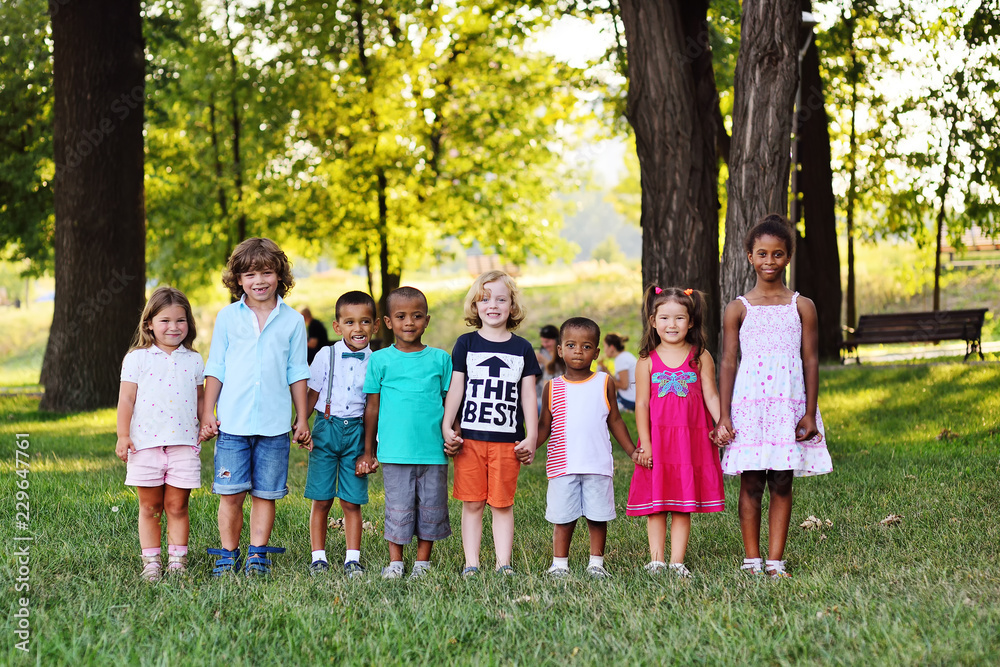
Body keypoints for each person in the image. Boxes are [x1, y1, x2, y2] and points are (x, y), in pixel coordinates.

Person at [716, 214, 833, 579]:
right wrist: (724, 415)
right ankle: (752, 560)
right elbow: (729, 362)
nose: (770, 261)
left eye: (778, 254)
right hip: (750, 405)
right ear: (749, 256)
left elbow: (811, 360)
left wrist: (810, 413)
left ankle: (775, 560)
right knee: (751, 481)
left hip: (788, 403)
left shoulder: (802, 306)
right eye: (762, 254)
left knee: (782, 479)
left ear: (788, 257)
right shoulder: (738, 308)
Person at [200, 238, 312, 576]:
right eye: (250, 274)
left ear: (280, 275)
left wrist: (302, 418)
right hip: (232, 424)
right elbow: (216, 367)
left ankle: (258, 553)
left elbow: (297, 372)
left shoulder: (292, 321)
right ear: (238, 280)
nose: (259, 281)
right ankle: (227, 553)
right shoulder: (228, 318)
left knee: (266, 494)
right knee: (231, 494)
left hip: (275, 426)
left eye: (266, 272)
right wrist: (208, 413)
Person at [442, 270, 541, 577]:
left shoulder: (522, 348)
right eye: (485, 299)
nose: (493, 305)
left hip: (507, 441)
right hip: (470, 439)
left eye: (501, 299)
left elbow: (528, 397)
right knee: (472, 504)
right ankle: (471, 564)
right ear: (475, 305)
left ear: (512, 306)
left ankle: (503, 564)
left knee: (501, 504)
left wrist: (533, 436)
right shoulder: (466, 344)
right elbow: (456, 388)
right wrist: (448, 426)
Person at [626, 286, 726, 578]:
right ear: (653, 322)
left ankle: (677, 562)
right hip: (657, 440)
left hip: (690, 440)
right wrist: (645, 444)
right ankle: (656, 560)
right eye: (665, 318)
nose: (672, 324)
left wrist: (722, 423)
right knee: (657, 505)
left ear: (691, 321)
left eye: (680, 318)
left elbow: (710, 395)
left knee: (683, 503)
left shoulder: (701, 356)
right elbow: (642, 404)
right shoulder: (646, 360)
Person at [536, 317, 645, 579]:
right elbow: (543, 426)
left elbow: (615, 420)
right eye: (571, 345)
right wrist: (528, 446)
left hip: (597, 464)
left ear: (596, 353)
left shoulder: (603, 382)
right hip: (563, 465)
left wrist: (631, 451)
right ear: (560, 350)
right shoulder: (552, 387)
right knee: (564, 517)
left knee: (598, 516)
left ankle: (596, 563)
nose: (578, 351)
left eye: (586, 347)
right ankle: (559, 565)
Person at [362, 286, 453, 579]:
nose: (409, 322)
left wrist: (453, 434)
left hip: (433, 450)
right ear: (388, 322)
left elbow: (451, 402)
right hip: (395, 450)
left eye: (416, 316)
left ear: (427, 320)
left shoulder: (441, 359)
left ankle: (422, 564)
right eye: (401, 316)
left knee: (431, 507)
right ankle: (396, 562)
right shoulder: (379, 360)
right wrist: (368, 451)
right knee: (398, 507)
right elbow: (372, 407)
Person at [115, 286, 204, 581]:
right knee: (150, 506)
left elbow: (201, 399)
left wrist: (207, 421)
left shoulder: (194, 360)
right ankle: (151, 563)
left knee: (177, 506)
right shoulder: (137, 359)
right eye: (165, 321)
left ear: (188, 324)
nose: (173, 327)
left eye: (180, 320)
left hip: (183, 444)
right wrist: (122, 435)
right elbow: (126, 399)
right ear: (149, 323)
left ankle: (177, 562)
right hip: (146, 445)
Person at [301, 291, 379, 577]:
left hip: (357, 431)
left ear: (375, 326)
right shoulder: (326, 354)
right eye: (349, 322)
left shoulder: (377, 361)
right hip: (326, 427)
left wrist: (370, 449)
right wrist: (302, 424)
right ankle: (318, 557)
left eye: (364, 322)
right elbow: (313, 392)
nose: (357, 328)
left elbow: (374, 407)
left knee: (351, 500)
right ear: (337, 327)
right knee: (321, 498)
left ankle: (352, 559)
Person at [599, 333, 637, 412]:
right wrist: (604, 369)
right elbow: (618, 381)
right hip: (633, 398)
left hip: (629, 401)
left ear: (612, 347)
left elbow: (623, 385)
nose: (604, 350)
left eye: (605, 346)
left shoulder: (621, 359)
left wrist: (604, 380)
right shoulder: (625, 356)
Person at [535, 324, 558, 412]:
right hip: (539, 394)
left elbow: (559, 373)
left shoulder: (563, 355)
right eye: (543, 342)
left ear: (556, 340)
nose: (544, 345)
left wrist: (545, 362)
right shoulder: (543, 352)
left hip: (553, 397)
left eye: (547, 342)